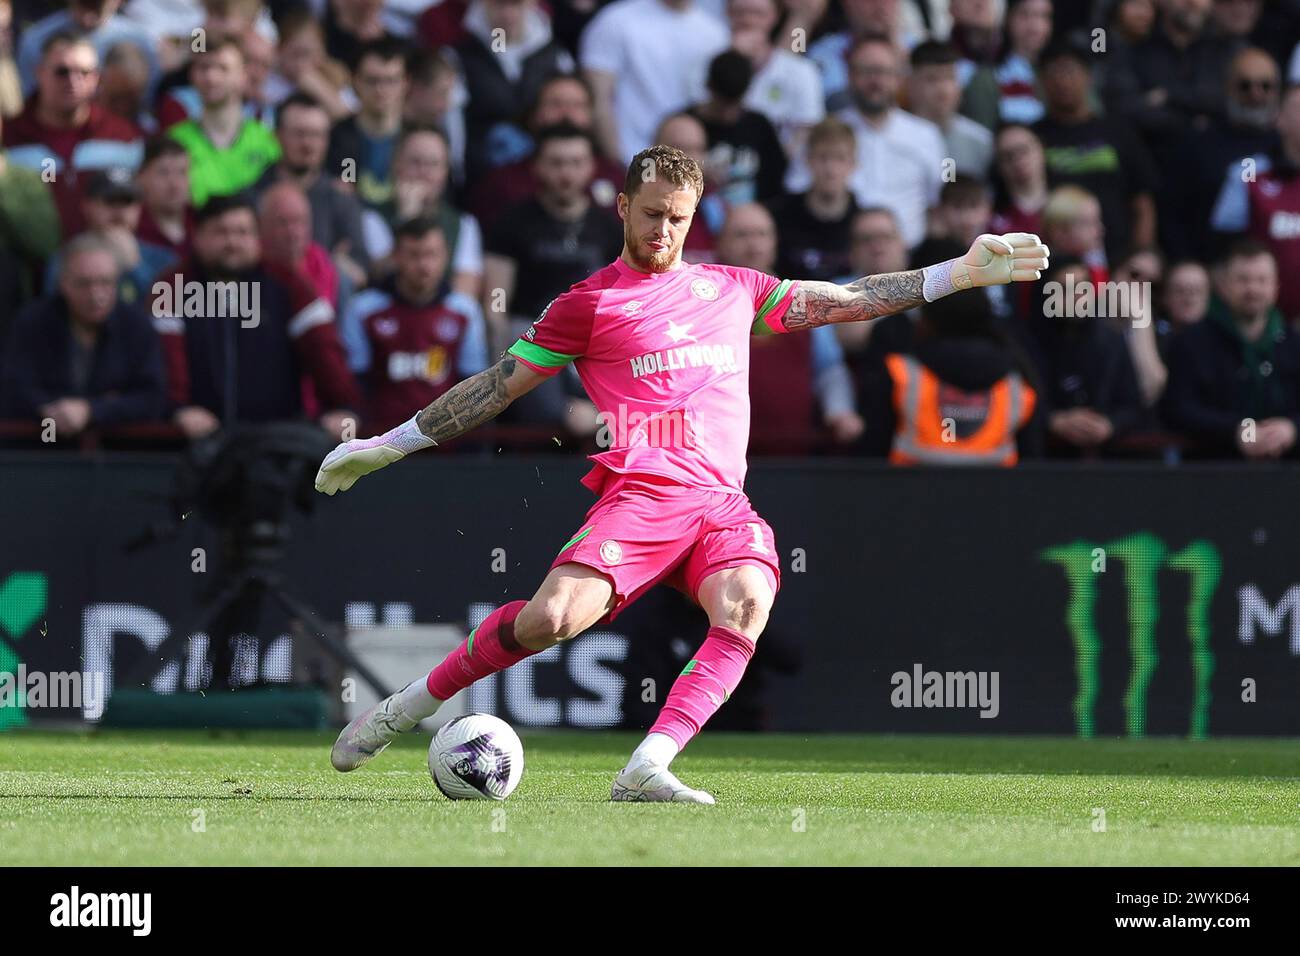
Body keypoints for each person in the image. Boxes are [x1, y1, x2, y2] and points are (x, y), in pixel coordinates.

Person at [314, 143, 1049, 802]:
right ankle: (407, 706)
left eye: (679, 218)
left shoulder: (733, 289)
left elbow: (850, 301)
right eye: (653, 214)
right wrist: (392, 442)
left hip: (721, 503)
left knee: (747, 606)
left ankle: (649, 764)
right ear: (622, 205)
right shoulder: (589, 305)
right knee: (550, 621)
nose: (664, 231)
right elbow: (498, 384)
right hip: (644, 494)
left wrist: (958, 272)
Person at [1, 232, 165, 433]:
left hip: (119, 452)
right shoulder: (32, 322)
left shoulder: (136, 326)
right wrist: (54, 410)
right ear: (63, 283)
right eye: (84, 284)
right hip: (45, 443)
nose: (96, 295)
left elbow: (152, 398)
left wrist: (91, 410)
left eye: (105, 282)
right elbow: (14, 388)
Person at [341, 216, 488, 433]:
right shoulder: (363, 309)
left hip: (447, 443)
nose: (424, 265)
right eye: (414, 255)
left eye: (431, 255)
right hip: (381, 442)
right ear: (396, 257)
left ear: (445, 256)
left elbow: (473, 386)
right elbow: (355, 384)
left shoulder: (465, 311)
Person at [1163, 240, 1300, 459]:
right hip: (1214, 473)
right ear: (1224, 286)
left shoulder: (1294, 342)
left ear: (1276, 287)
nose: (1252, 289)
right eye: (1243, 280)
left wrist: (1292, 429)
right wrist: (1237, 431)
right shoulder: (1192, 342)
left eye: (1261, 280)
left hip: (1287, 475)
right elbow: (1177, 409)